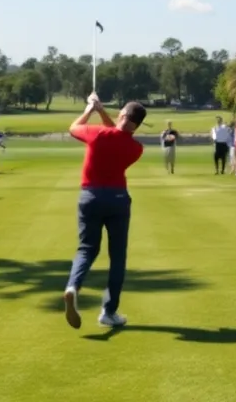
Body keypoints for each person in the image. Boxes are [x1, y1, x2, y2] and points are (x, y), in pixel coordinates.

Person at [62, 93, 146, 330]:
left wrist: (91, 109)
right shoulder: (136, 148)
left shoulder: (96, 133)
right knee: (117, 257)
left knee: (87, 249)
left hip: (90, 197)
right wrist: (101, 111)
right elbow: (119, 133)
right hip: (118, 199)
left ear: (121, 114)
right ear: (137, 124)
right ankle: (108, 312)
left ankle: (72, 287)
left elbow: (74, 127)